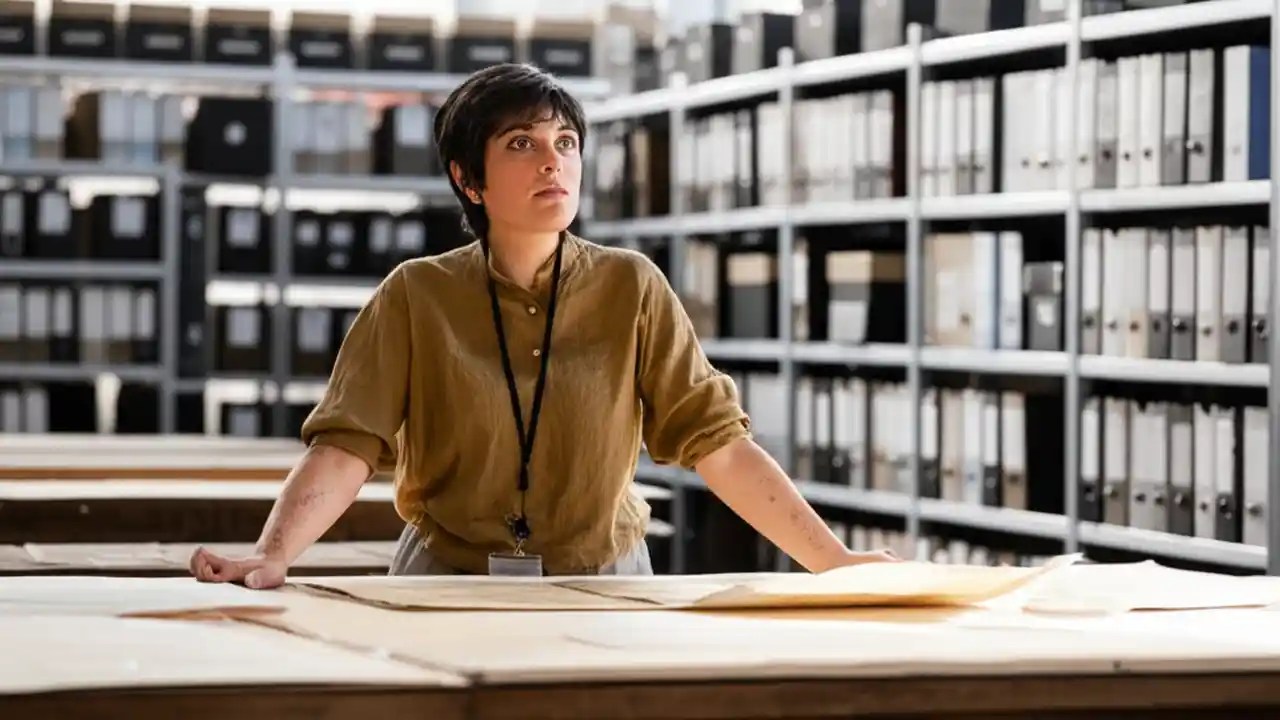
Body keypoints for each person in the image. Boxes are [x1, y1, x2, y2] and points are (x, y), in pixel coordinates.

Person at [189, 63, 898, 588]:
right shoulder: (416, 294)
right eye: (521, 144)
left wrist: (832, 562)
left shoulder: (632, 286)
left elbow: (719, 444)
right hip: (447, 581)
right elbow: (345, 447)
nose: (553, 160)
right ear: (468, 179)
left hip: (605, 581)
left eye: (566, 142)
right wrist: (274, 554)